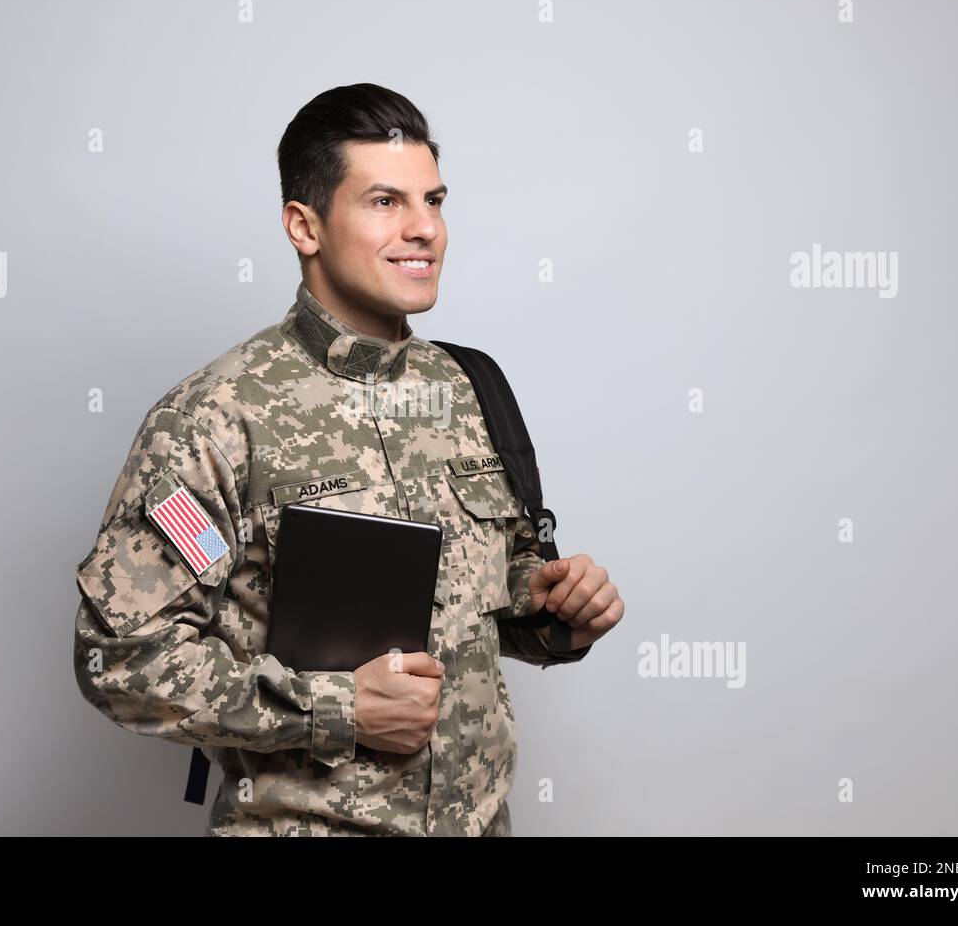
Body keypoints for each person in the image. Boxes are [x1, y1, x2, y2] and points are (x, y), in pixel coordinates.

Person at [72, 83, 625, 836]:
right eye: (386, 202)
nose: (425, 229)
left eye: (434, 200)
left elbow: (493, 598)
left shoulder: (470, 386)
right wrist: (336, 710)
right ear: (304, 225)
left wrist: (557, 608)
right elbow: (121, 659)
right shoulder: (215, 417)